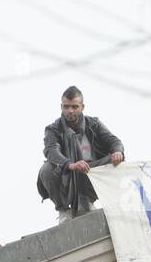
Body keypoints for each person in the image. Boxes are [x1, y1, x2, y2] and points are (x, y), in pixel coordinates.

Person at [37, 86, 124, 224]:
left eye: (74, 106)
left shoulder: (94, 124)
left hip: (90, 173)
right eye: (66, 107)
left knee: (118, 161)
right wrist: (70, 164)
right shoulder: (53, 129)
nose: (70, 110)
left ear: (82, 107)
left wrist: (118, 151)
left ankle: (89, 203)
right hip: (67, 173)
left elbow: (113, 141)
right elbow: (51, 150)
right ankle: (64, 210)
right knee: (47, 169)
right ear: (61, 107)